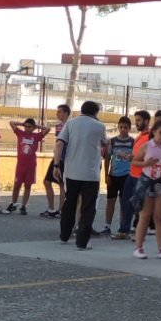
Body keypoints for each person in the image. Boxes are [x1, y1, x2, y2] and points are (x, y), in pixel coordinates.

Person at [53, 101, 110, 250]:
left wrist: (56, 165)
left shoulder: (71, 123)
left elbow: (59, 144)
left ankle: (64, 236)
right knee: (88, 208)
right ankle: (82, 242)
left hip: (72, 172)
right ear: (96, 113)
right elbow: (105, 144)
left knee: (69, 204)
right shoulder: (100, 126)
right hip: (91, 174)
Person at [132, 119, 161, 259]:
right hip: (147, 182)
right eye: (160, 132)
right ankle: (139, 248)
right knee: (145, 216)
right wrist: (146, 163)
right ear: (154, 132)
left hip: (160, 183)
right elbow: (135, 161)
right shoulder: (147, 146)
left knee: (159, 217)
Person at [7, 118, 48, 214]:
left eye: (29, 127)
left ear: (33, 128)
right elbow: (12, 122)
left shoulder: (36, 136)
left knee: (28, 185)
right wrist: (23, 124)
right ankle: (13, 203)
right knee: (17, 185)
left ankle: (23, 205)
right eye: (26, 127)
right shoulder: (21, 134)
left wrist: (36, 126)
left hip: (31, 165)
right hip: (21, 164)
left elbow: (47, 129)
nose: (27, 128)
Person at [103, 115, 135, 237]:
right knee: (110, 200)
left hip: (127, 175)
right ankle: (107, 225)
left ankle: (123, 226)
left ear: (129, 128)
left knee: (124, 201)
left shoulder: (133, 142)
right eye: (121, 127)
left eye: (125, 127)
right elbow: (107, 158)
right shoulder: (112, 141)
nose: (123, 130)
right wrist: (106, 174)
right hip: (114, 175)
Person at [120, 110, 152, 234]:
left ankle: (137, 229)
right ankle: (124, 229)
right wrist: (130, 156)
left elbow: (150, 156)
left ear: (146, 121)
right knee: (126, 202)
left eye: (138, 120)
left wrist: (133, 158)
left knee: (137, 204)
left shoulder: (150, 137)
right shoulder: (140, 136)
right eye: (136, 120)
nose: (136, 123)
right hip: (132, 174)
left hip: (141, 176)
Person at [41, 102, 71, 218]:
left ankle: (61, 209)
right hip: (56, 158)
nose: (57, 114)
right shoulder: (58, 126)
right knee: (47, 181)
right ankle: (51, 208)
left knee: (62, 184)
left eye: (59, 111)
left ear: (66, 113)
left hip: (65, 159)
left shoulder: (70, 125)